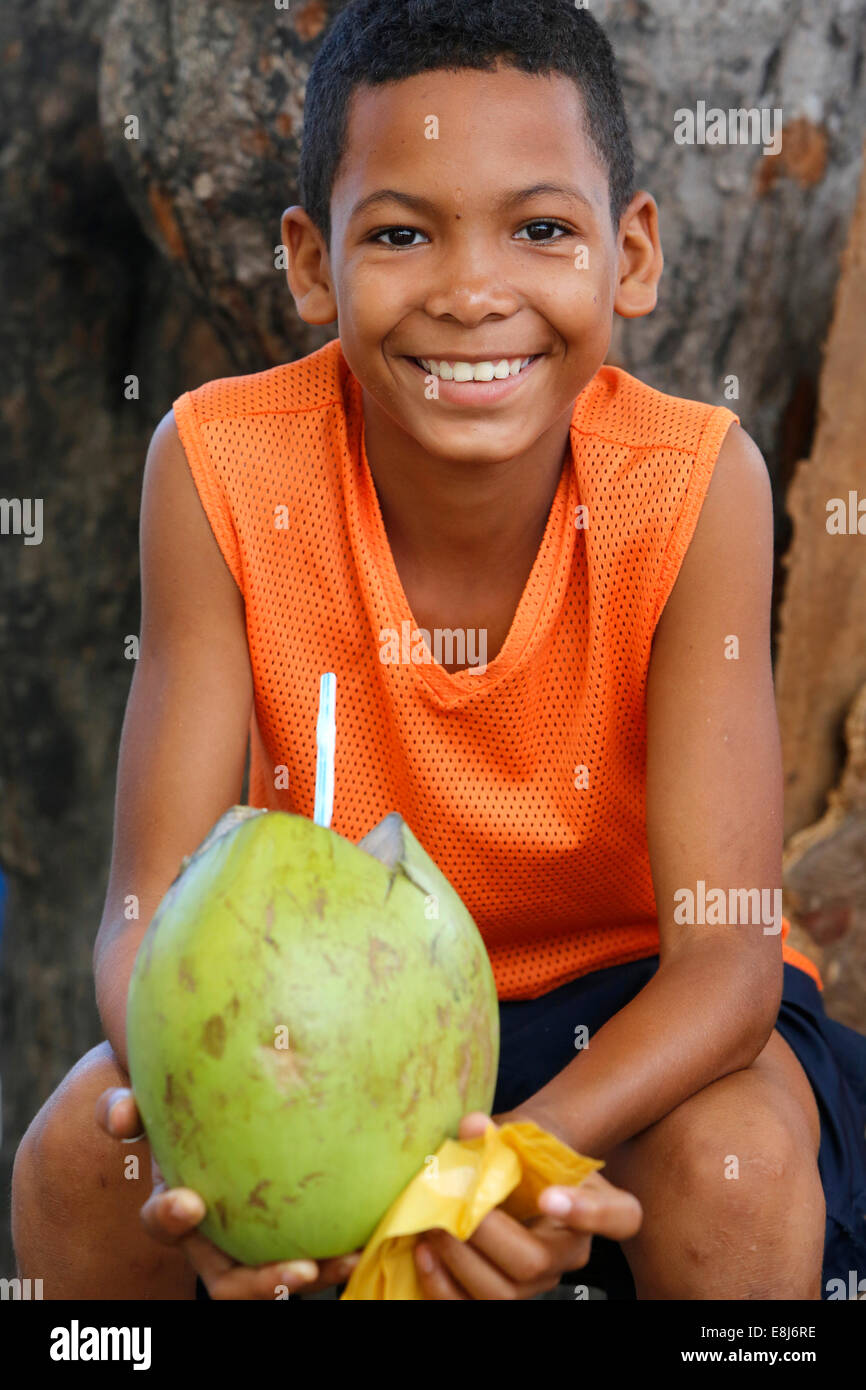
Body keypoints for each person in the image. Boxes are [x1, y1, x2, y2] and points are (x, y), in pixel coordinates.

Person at [13, 0, 866, 1301]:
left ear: (628, 254)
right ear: (311, 264)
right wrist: (249, 1149)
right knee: (76, 1161)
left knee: (734, 1170)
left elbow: (726, 961)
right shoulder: (216, 466)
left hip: (630, 1015)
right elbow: (143, 918)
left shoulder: (695, 486)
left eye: (539, 229)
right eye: (402, 234)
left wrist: (500, 1166)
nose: (473, 293)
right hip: (318, 1028)